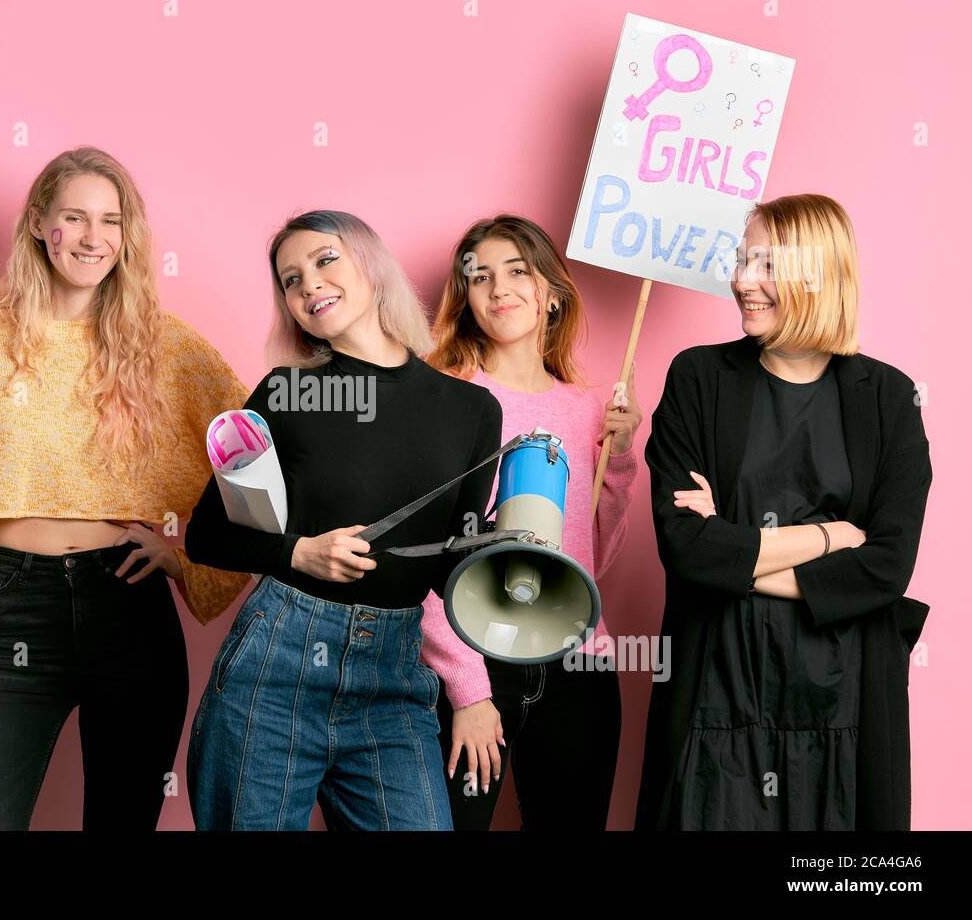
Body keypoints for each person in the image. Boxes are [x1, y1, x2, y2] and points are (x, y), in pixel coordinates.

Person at [0, 146, 249, 830]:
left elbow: (254, 451)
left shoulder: (165, 348)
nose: (94, 237)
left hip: (129, 603)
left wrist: (187, 564)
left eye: (110, 220)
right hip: (19, 604)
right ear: (42, 224)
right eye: (76, 217)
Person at [184, 209, 503, 830]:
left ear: (371, 265)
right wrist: (299, 552)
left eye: (325, 261)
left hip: (395, 676)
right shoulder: (286, 393)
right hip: (276, 667)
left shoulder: (470, 411)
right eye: (290, 280)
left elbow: (452, 565)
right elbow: (205, 533)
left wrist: (512, 560)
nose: (309, 285)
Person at [635, 194, 932, 829]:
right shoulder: (698, 377)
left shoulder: (888, 397)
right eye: (742, 260)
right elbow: (686, 549)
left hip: (845, 691)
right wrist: (830, 537)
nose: (742, 280)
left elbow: (885, 566)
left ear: (820, 272)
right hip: (718, 683)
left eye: (765, 264)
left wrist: (734, 554)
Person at [423, 214, 640, 830]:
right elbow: (432, 558)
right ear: (465, 300)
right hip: (473, 658)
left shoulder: (586, 407)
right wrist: (468, 692)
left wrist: (619, 461)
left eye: (518, 271)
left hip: (578, 663)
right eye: (480, 277)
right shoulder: (448, 398)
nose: (500, 289)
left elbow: (594, 555)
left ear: (552, 294)